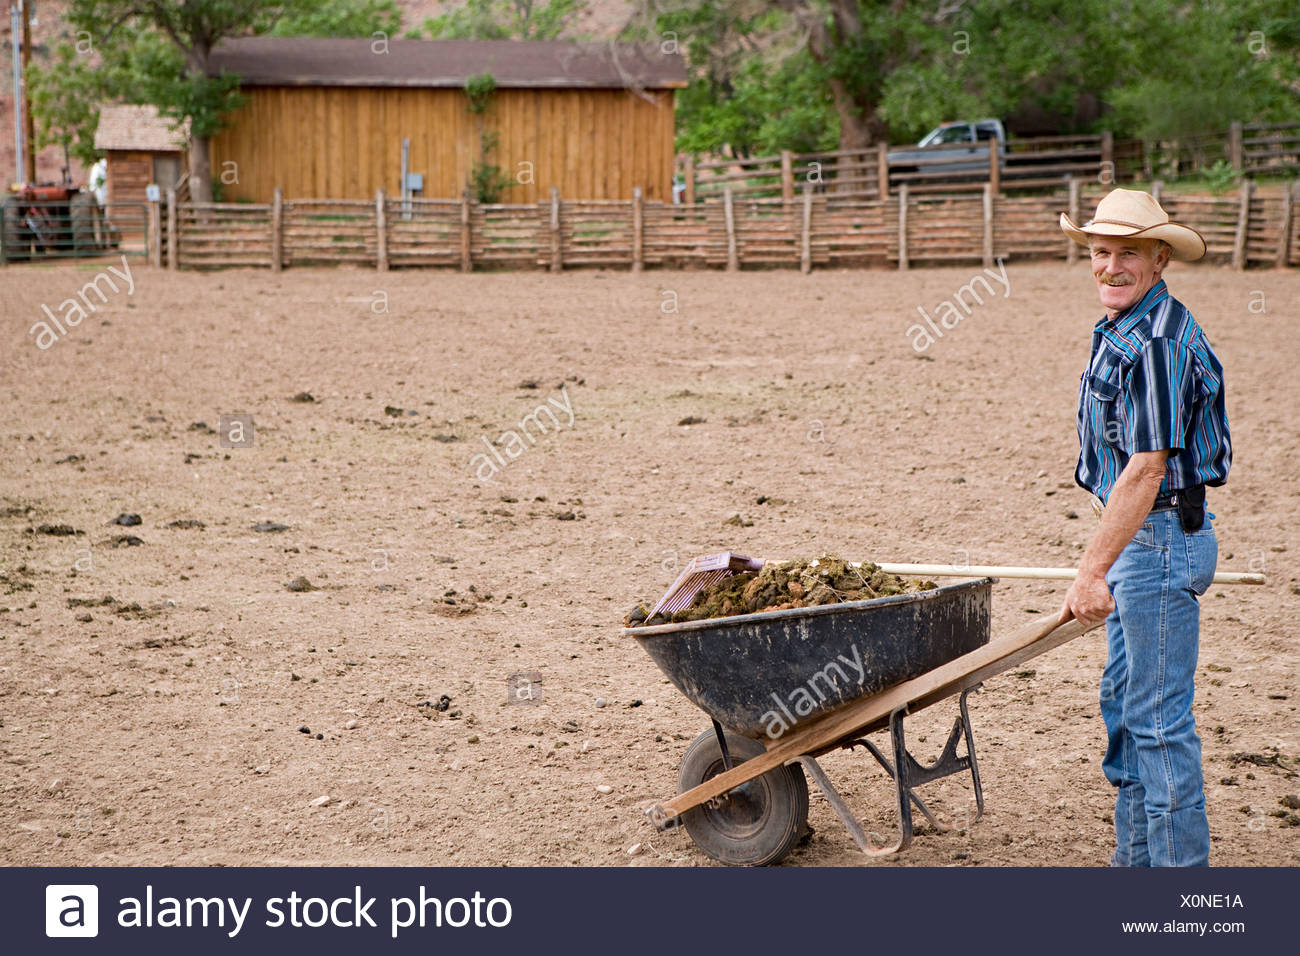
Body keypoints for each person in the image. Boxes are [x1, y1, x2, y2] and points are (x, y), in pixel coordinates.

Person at [1058, 188, 1231, 867]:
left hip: (1157, 542)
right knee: (1127, 714)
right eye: (1100, 252)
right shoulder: (1126, 326)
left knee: (1158, 728)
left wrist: (1091, 570)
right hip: (1142, 540)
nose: (1109, 266)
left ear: (1161, 259)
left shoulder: (1157, 341)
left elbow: (1148, 466)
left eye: (1128, 253)